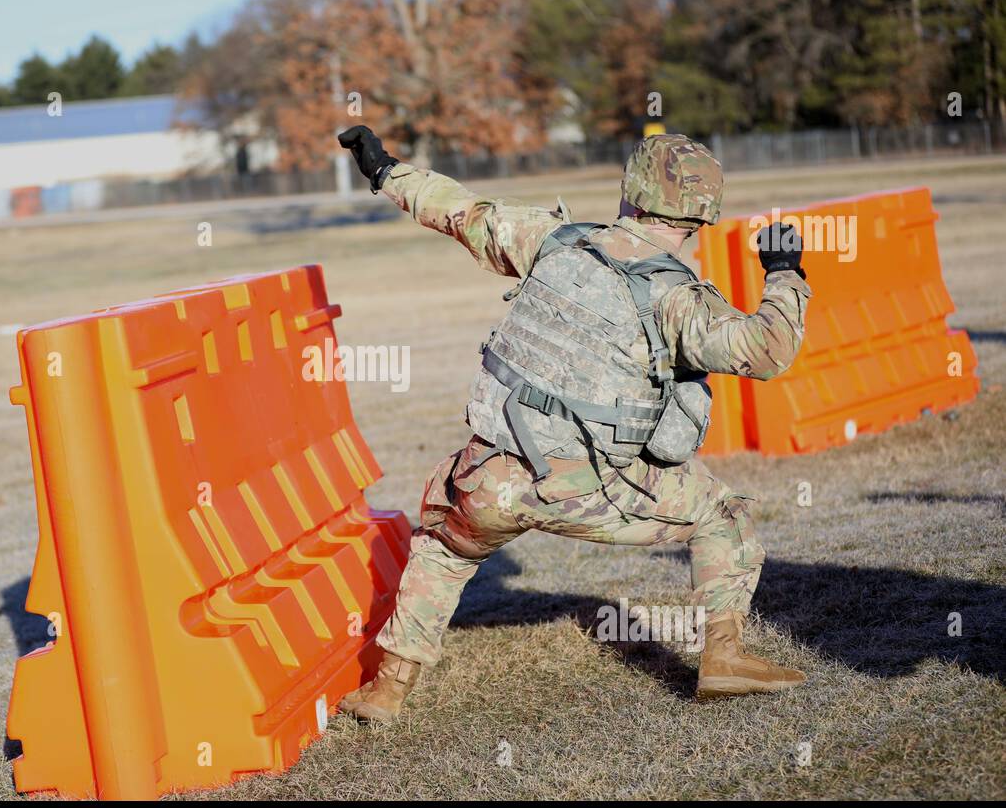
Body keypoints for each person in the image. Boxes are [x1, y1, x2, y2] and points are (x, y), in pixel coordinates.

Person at [334, 125, 812, 722]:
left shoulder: (551, 240)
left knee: (443, 547)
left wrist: (384, 170)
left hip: (490, 481)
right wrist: (785, 272)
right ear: (699, 219)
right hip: (589, 489)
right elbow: (767, 350)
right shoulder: (679, 299)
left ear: (629, 191)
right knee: (723, 514)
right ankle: (725, 656)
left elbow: (457, 211)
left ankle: (388, 690)